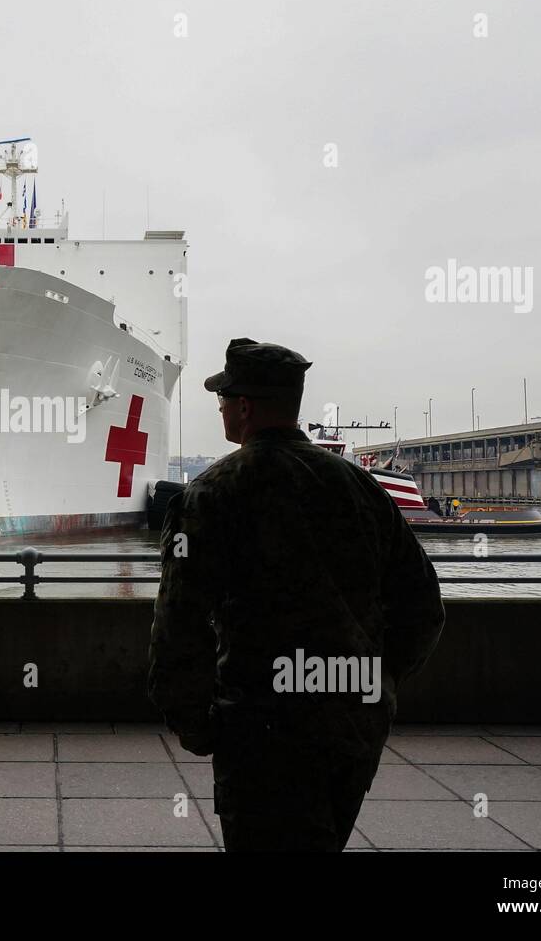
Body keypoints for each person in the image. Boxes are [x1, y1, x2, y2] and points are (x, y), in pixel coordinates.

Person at [148, 337, 445, 852]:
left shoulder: (214, 493)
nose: (219, 408)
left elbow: (179, 622)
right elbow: (423, 608)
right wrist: (378, 683)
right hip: (352, 722)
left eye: (222, 399)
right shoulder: (361, 487)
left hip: (261, 728)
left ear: (243, 407)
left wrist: (194, 723)